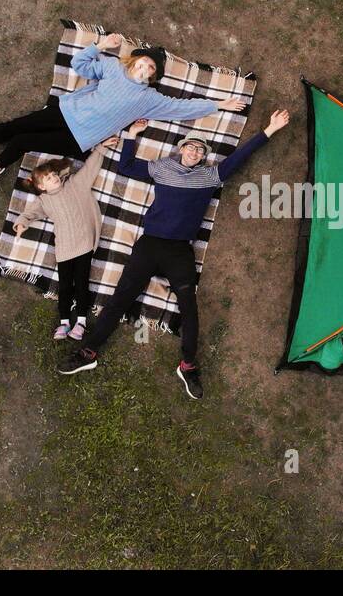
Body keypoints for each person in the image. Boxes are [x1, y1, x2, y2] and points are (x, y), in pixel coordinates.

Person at [58, 109, 292, 399]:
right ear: (181, 149)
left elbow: (239, 158)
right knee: (121, 298)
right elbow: (127, 167)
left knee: (189, 307)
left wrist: (269, 130)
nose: (194, 151)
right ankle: (88, 351)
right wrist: (132, 135)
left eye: (200, 150)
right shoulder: (161, 168)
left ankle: (188, 364)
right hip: (149, 244)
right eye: (190, 146)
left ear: (203, 156)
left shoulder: (210, 176)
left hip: (179, 251)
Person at [0, 33, 248, 188]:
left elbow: (181, 108)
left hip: (80, 138)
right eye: (145, 63)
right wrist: (100, 46)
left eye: (152, 70)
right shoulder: (114, 68)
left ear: (154, 76)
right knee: (9, 128)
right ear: (135, 61)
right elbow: (79, 64)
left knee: (21, 141)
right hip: (63, 111)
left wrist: (219, 103)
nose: (147, 70)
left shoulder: (150, 98)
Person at [13, 136, 118, 341]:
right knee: (64, 286)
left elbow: (90, 169)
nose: (54, 178)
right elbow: (29, 214)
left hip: (84, 244)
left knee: (81, 283)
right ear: (42, 187)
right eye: (49, 178)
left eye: (54, 174)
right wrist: (21, 223)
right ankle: (63, 323)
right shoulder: (43, 201)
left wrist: (100, 149)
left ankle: (80, 322)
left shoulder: (75, 185)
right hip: (63, 248)